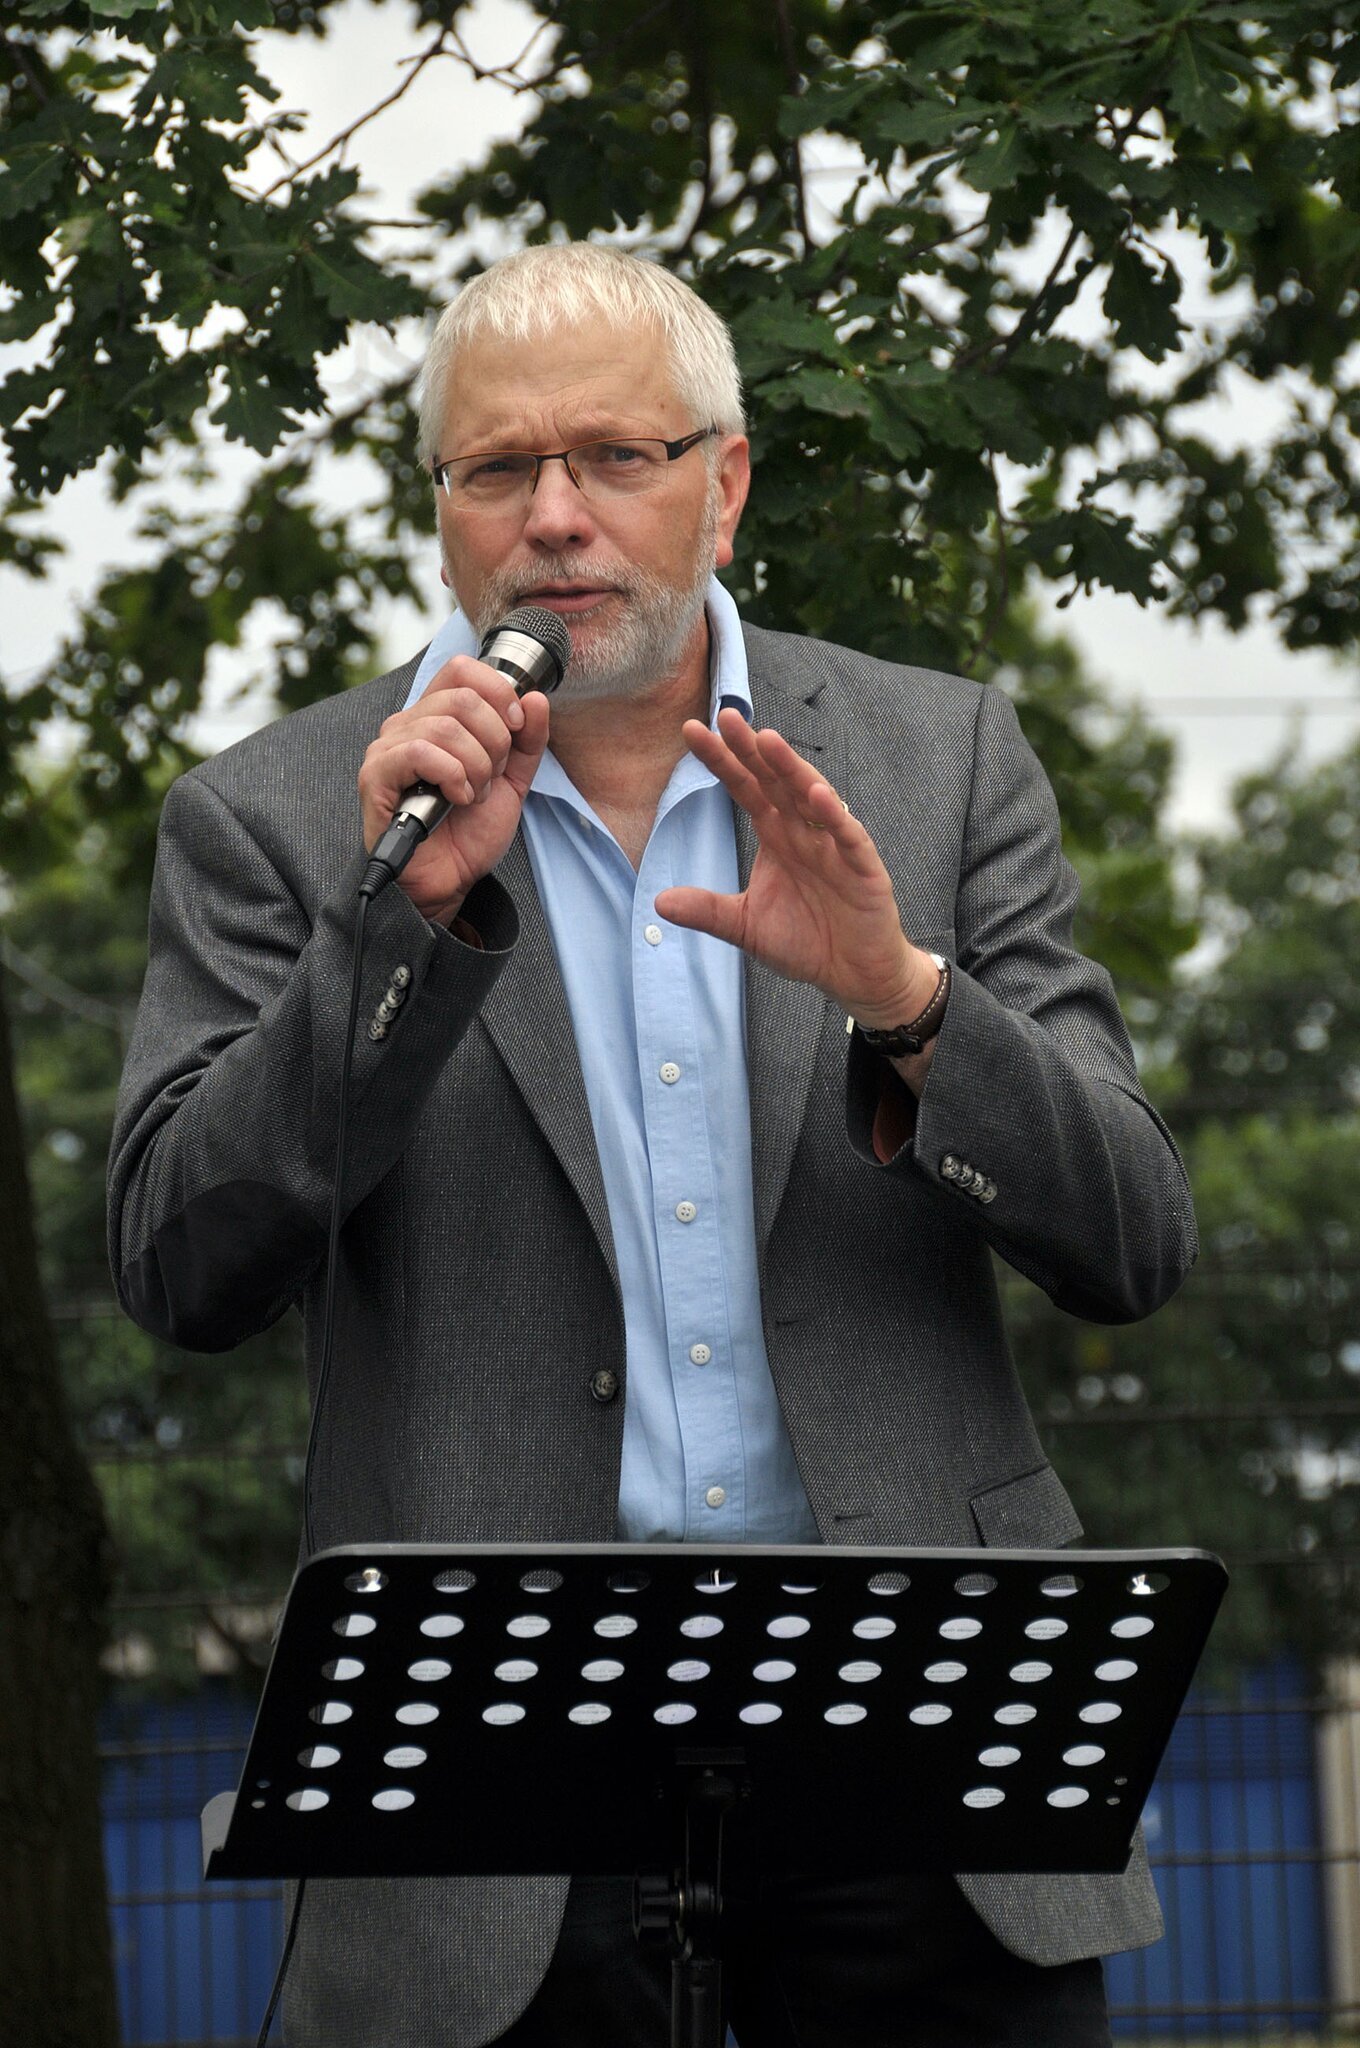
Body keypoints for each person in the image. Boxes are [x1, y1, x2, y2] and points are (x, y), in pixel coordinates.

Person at [109, 243, 1197, 2048]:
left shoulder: (939, 763)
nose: (555, 518)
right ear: (443, 513)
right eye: (496, 472)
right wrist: (397, 934)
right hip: (493, 1765)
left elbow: (1134, 1241)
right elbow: (183, 1264)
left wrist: (911, 1003)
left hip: (917, 1733)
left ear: (727, 477)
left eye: (615, 457)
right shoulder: (289, 813)